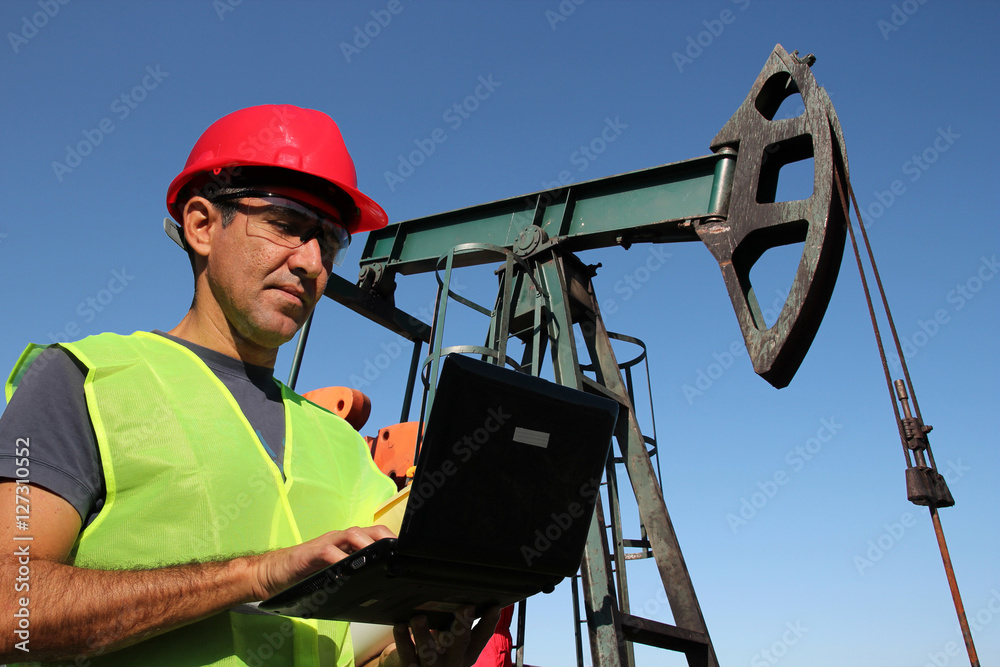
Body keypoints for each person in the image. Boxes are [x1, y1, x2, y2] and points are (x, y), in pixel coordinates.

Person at [0, 104, 500, 666]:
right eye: (287, 226)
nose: (312, 262)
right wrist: (255, 573)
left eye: (329, 243)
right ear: (202, 225)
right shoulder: (86, 381)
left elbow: (343, 653)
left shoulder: (337, 443)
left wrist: (422, 655)